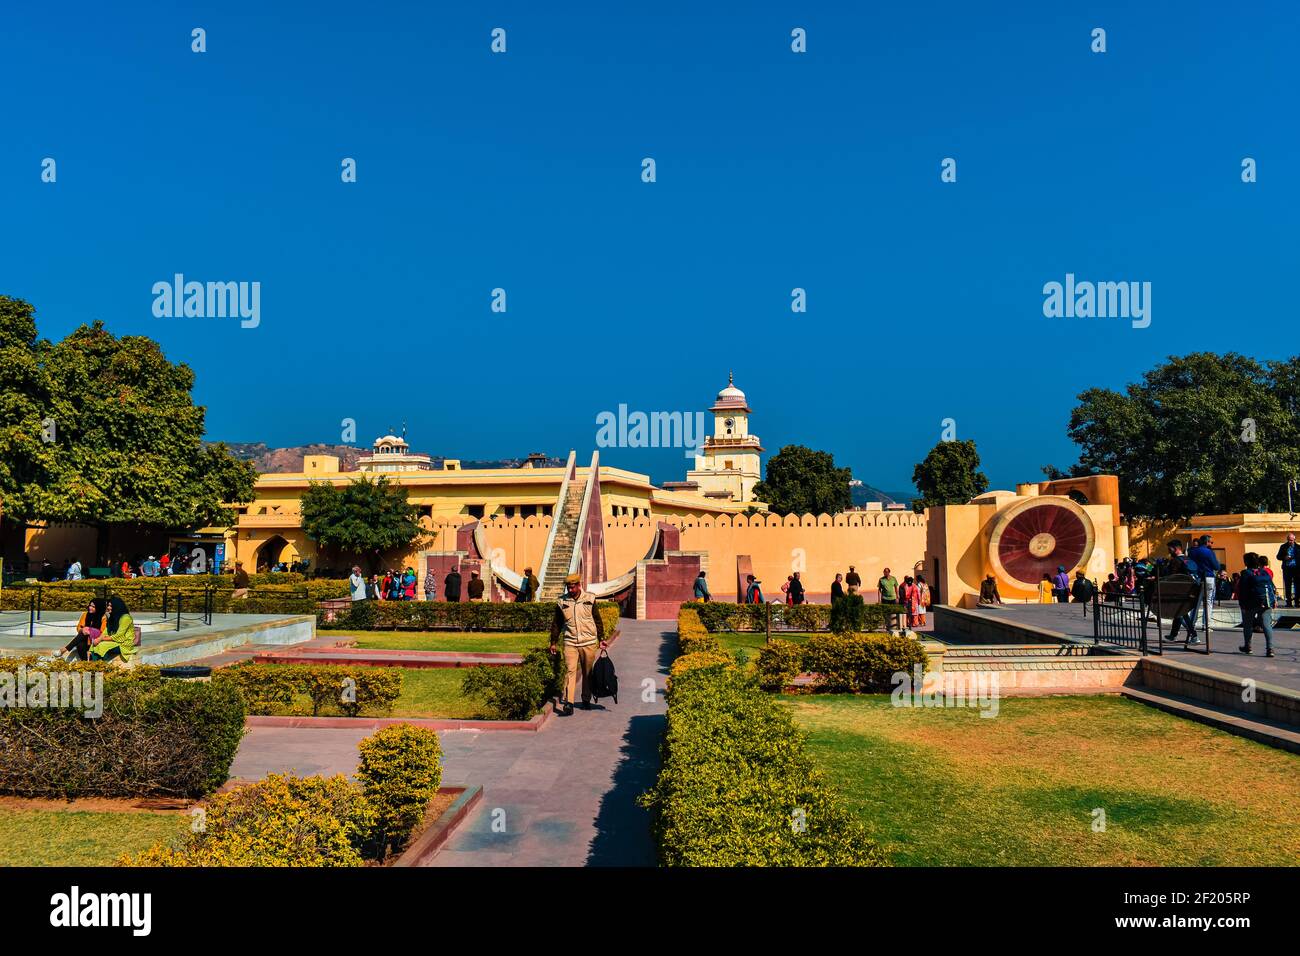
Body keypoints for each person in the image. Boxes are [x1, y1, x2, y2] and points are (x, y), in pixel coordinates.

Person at [548, 572, 607, 716]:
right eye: (568, 587)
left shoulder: (590, 599)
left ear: (579, 585)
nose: (570, 590)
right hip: (570, 641)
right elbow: (557, 623)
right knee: (570, 671)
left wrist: (602, 638)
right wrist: (553, 642)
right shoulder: (562, 602)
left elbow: (597, 620)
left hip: (588, 642)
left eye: (573, 587)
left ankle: (586, 699)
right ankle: (569, 702)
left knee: (587, 673)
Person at [1161, 540, 1201, 645]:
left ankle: (1194, 635)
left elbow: (1170, 576)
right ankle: (1173, 635)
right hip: (1191, 590)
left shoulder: (1176, 561)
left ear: (1176, 548)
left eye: (1170, 549)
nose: (1169, 551)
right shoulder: (1188, 559)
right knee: (1178, 612)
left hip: (1179, 591)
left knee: (1182, 613)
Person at [1238, 552, 1276, 657]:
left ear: (1246, 562)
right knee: (1267, 625)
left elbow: (1243, 590)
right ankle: (1270, 649)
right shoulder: (1264, 572)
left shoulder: (1246, 573)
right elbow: (1272, 587)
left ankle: (1248, 647)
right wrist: (1274, 601)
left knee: (1248, 625)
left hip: (1251, 603)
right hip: (1266, 602)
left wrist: (1243, 604)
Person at [90, 596, 136, 664]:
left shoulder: (126, 618)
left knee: (102, 645)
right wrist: (99, 638)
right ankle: (94, 667)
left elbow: (119, 636)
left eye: (111, 606)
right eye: (108, 605)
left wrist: (101, 639)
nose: (108, 608)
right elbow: (106, 631)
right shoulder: (112, 617)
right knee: (94, 644)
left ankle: (101, 667)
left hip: (124, 643)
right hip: (114, 641)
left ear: (117, 606)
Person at [63, 597, 107, 661]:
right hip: (85, 640)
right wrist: (82, 630)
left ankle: (65, 649)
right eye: (90, 605)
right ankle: (86, 662)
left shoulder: (103, 617)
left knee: (86, 630)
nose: (90, 608)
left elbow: (103, 632)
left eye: (93, 607)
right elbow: (78, 628)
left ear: (99, 607)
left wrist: (91, 631)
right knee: (80, 645)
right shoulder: (85, 615)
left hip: (96, 641)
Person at [1277, 532, 1299, 608]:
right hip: (1287, 569)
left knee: (1298, 586)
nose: (1291, 542)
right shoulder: (1283, 547)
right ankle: (1289, 602)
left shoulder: (1298, 547)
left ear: (1294, 540)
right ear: (1287, 540)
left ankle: (1297, 602)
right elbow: (1278, 557)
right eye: (1289, 540)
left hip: (1297, 569)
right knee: (1287, 586)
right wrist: (1284, 557)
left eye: (1292, 540)